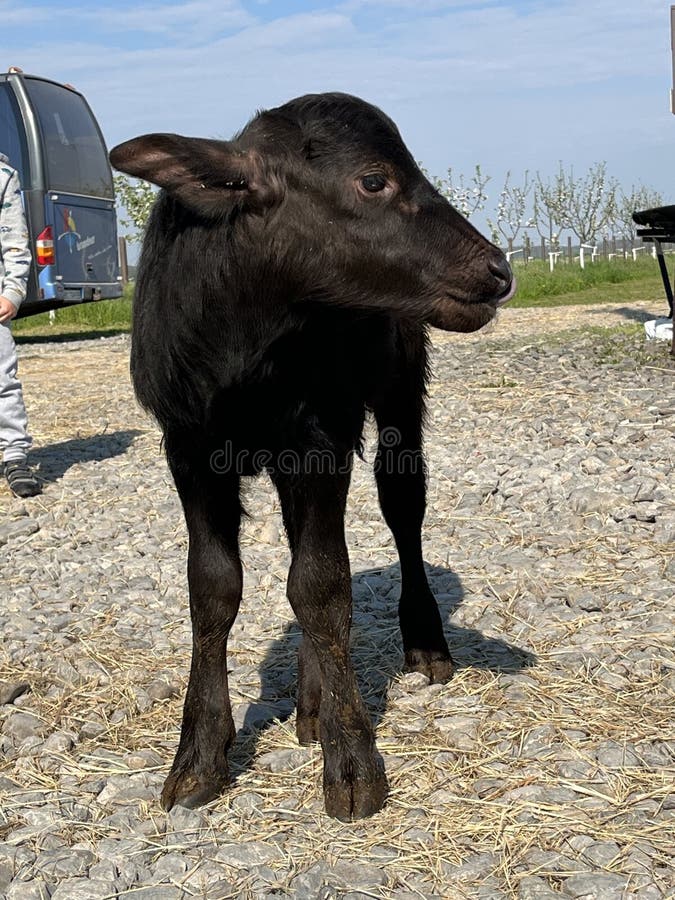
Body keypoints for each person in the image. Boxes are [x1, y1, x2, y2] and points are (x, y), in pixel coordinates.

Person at [0, 152, 40, 497]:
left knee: (2, 381)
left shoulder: (3, 176)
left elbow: (15, 242)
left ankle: (14, 454)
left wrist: (12, 291)